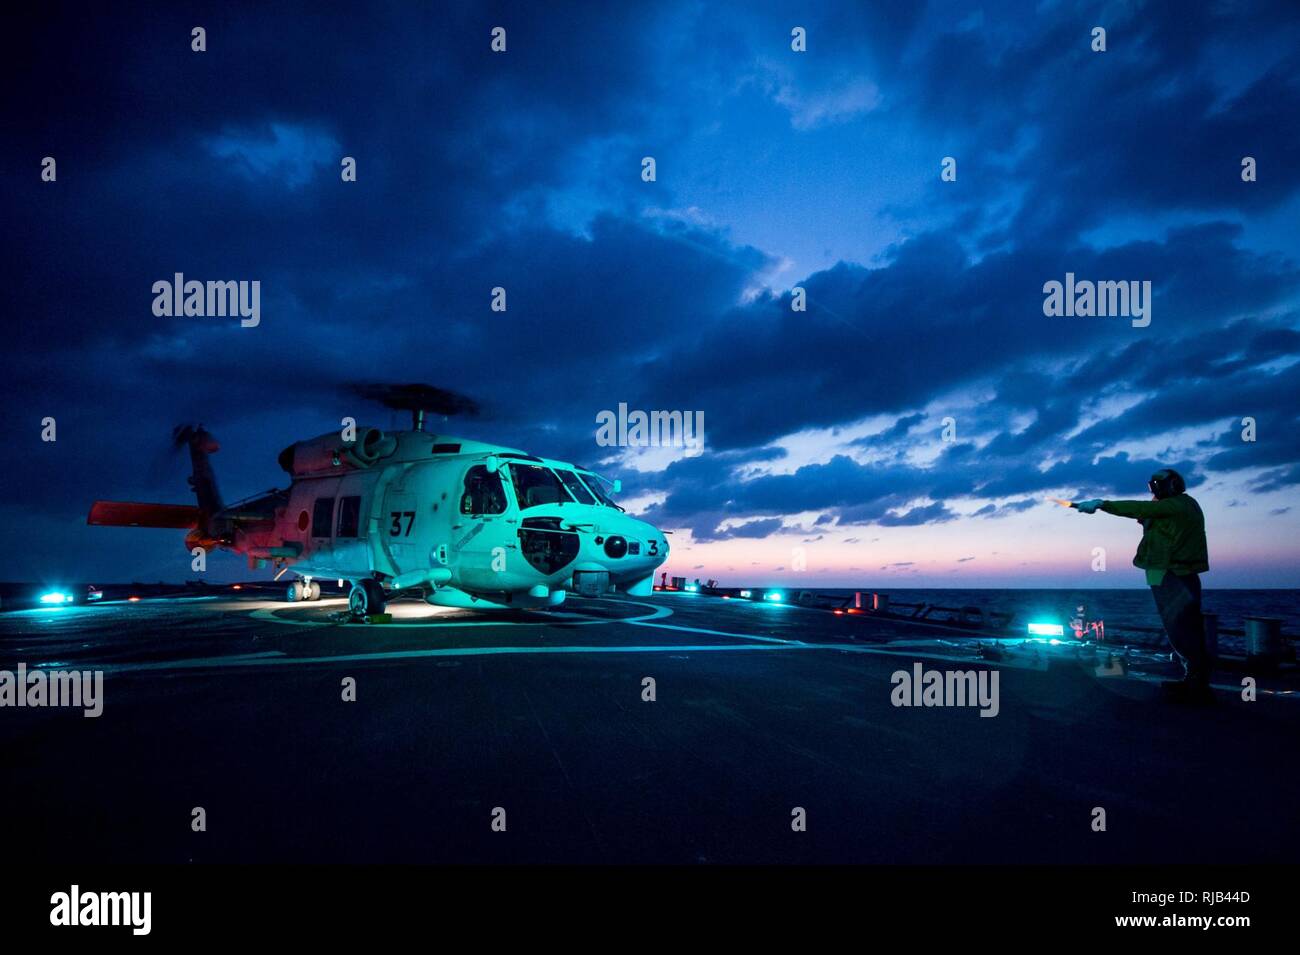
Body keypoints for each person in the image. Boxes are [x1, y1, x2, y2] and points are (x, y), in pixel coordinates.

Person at [1075, 469, 1212, 702]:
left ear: (1171, 485)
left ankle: (1197, 687)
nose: (1154, 490)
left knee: (1183, 630)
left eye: (1157, 485)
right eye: (1152, 486)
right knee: (1182, 629)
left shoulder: (1178, 505)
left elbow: (1140, 509)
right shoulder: (1176, 507)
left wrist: (1101, 504)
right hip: (1168, 574)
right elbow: (1147, 516)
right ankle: (1194, 681)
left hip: (1174, 575)